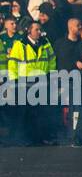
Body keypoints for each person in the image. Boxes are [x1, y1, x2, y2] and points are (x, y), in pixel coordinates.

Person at [6, 17, 57, 145]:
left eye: (40, 29)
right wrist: (13, 83)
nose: (39, 32)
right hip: (25, 84)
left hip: (42, 82)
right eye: (37, 30)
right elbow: (13, 65)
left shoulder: (45, 43)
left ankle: (39, 138)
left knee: (41, 113)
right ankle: (25, 139)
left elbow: (52, 61)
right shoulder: (19, 44)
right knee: (25, 113)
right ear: (29, 31)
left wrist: (51, 77)